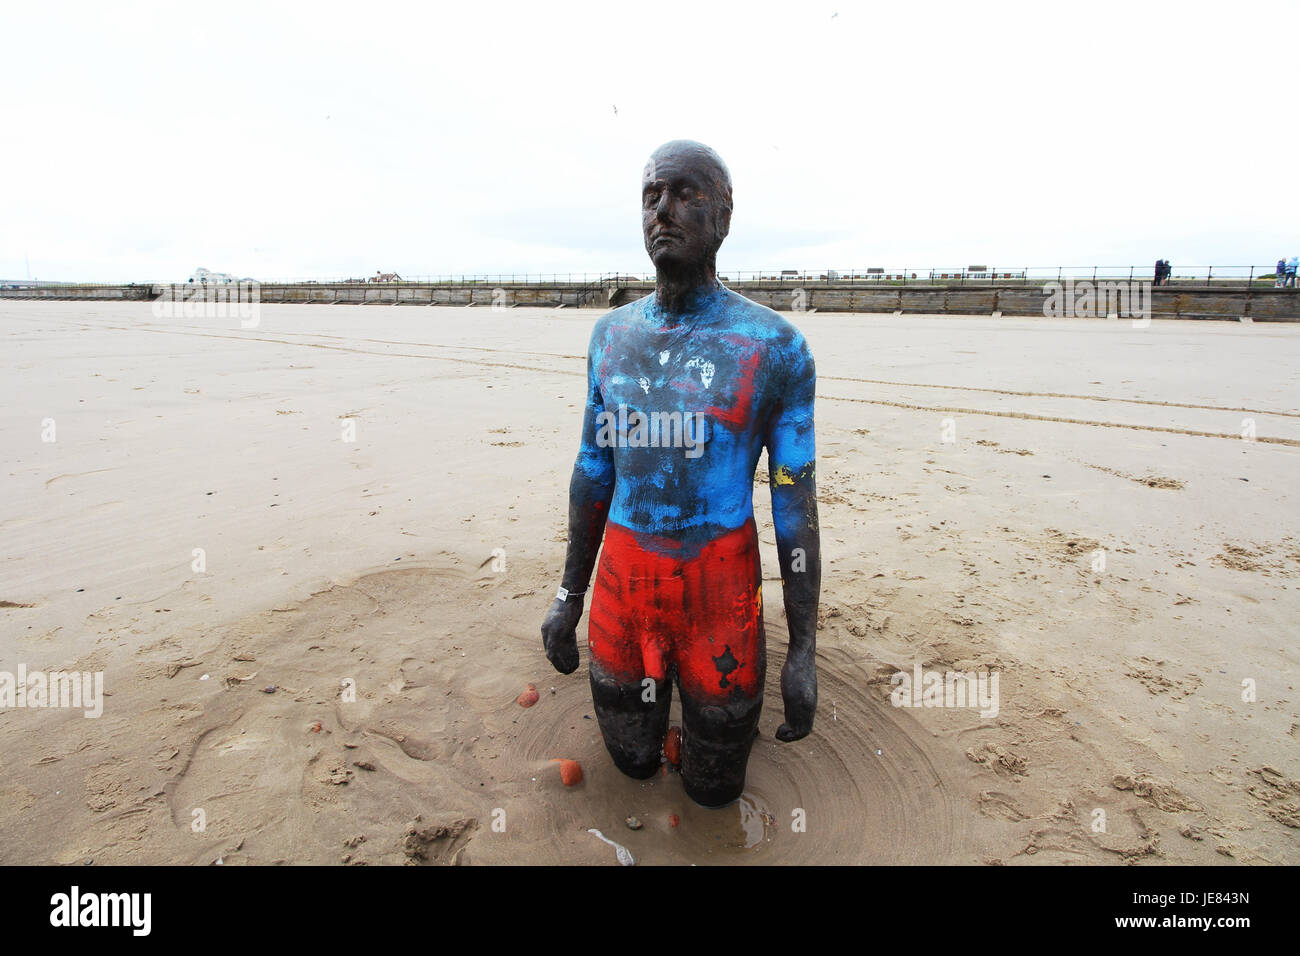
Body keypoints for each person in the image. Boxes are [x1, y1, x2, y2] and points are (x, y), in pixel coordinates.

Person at [540, 140, 821, 808]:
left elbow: (793, 506)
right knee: (633, 765)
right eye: (650, 195)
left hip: (720, 602)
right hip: (622, 593)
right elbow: (592, 471)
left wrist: (803, 651)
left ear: (723, 217)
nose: (662, 210)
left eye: (685, 193)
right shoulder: (611, 338)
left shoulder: (775, 349)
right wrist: (568, 595)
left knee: (713, 791)